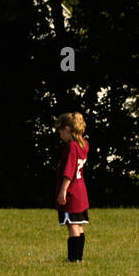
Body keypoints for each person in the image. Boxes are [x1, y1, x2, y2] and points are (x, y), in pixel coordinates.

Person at [55, 112, 89, 262]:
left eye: (60, 131)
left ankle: (73, 258)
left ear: (67, 129)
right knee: (79, 225)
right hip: (81, 191)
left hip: (72, 193)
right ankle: (79, 257)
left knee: (72, 226)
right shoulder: (84, 144)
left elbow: (68, 172)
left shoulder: (71, 147)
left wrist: (63, 191)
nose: (60, 135)